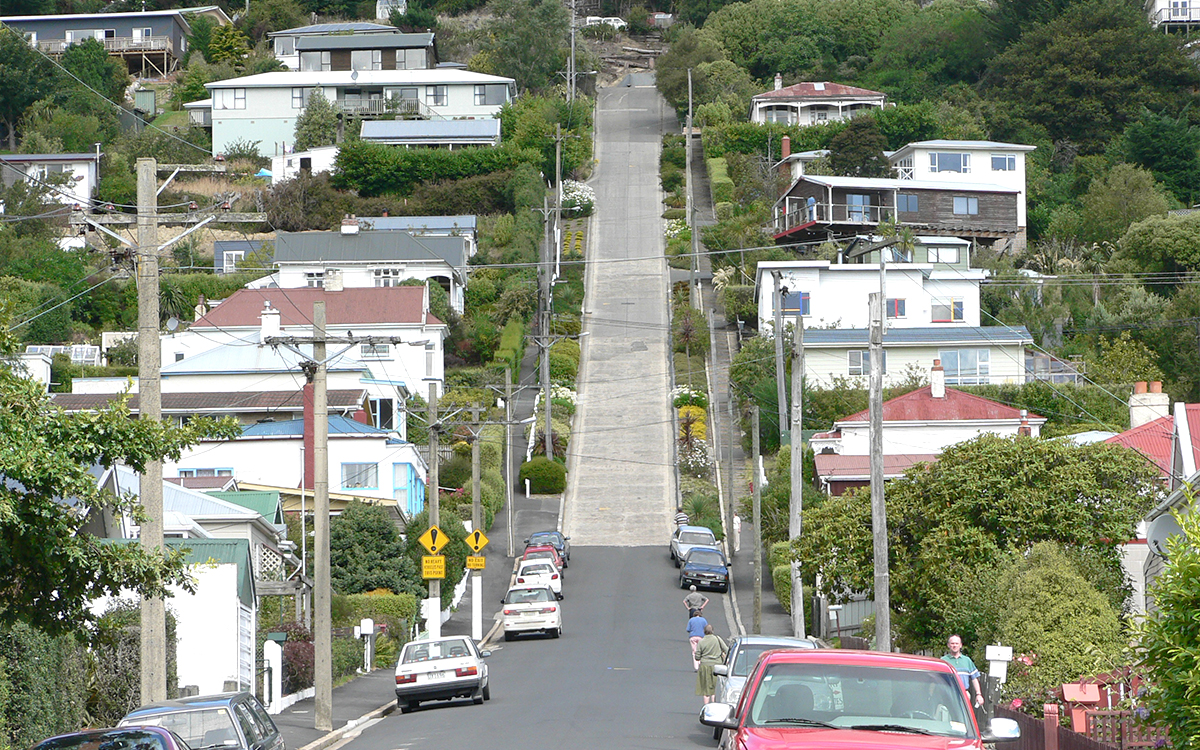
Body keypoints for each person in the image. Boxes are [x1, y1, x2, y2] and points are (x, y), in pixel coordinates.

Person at [941, 634, 984, 709]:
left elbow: (974, 678)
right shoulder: (943, 660)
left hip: (964, 694)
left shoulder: (967, 660)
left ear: (960, 645)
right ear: (948, 645)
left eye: (957, 643)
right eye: (952, 643)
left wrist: (979, 694)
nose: (955, 645)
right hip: (948, 694)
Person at [695, 624, 729, 704]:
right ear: (712, 631)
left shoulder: (701, 642)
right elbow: (727, 650)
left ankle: (706, 706)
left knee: (706, 689)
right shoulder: (717, 639)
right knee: (715, 687)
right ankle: (714, 703)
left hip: (705, 666)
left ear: (704, 632)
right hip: (717, 666)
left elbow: (697, 657)